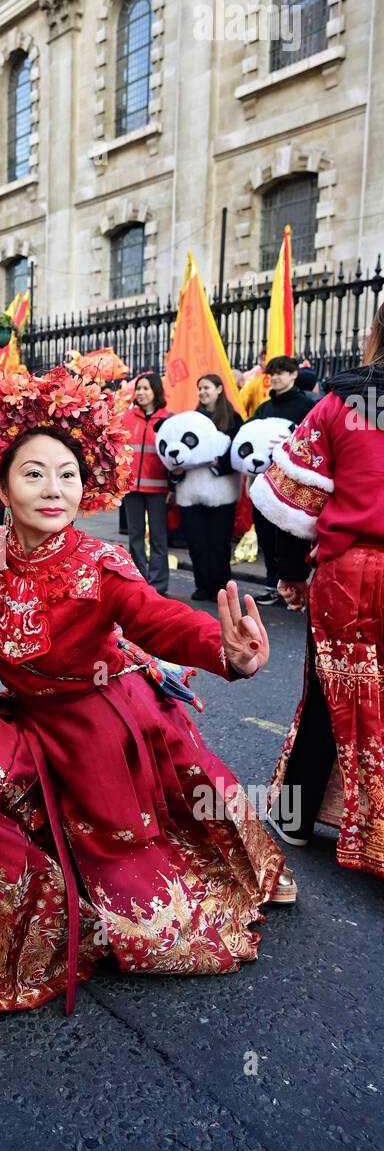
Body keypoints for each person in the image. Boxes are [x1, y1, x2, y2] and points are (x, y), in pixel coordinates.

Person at [0, 369, 296, 1047]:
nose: (54, 489)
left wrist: (225, 650)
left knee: (153, 825)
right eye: (33, 474)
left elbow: (160, 622)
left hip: (100, 717)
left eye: (67, 475)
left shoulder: (102, 564)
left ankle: (245, 871)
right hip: (24, 717)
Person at [251, 303, 384, 878]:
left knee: (333, 696)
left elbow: (285, 497)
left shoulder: (338, 404)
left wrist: (287, 572)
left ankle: (298, 817)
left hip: (347, 572)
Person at [248, 356, 319, 607]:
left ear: (294, 375)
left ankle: (292, 585)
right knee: (266, 535)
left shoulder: (306, 406)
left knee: (290, 537)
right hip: (266, 480)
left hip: (294, 485)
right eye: (272, 374)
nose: (276, 377)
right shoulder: (264, 408)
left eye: (281, 372)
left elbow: (313, 440)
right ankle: (271, 584)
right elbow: (249, 434)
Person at [184, 373, 243, 600]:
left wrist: (221, 462)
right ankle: (202, 584)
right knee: (197, 541)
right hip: (192, 490)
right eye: (199, 388)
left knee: (219, 542)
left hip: (222, 490)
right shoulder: (191, 419)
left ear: (219, 389)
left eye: (206, 387)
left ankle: (221, 587)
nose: (202, 392)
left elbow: (238, 452)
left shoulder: (233, 419)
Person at [119, 371, 171, 594]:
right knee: (135, 536)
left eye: (146, 388)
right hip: (132, 488)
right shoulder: (126, 418)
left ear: (155, 391)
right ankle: (139, 581)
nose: (140, 392)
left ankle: (159, 585)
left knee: (159, 538)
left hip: (159, 488)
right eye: (138, 388)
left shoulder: (169, 419)